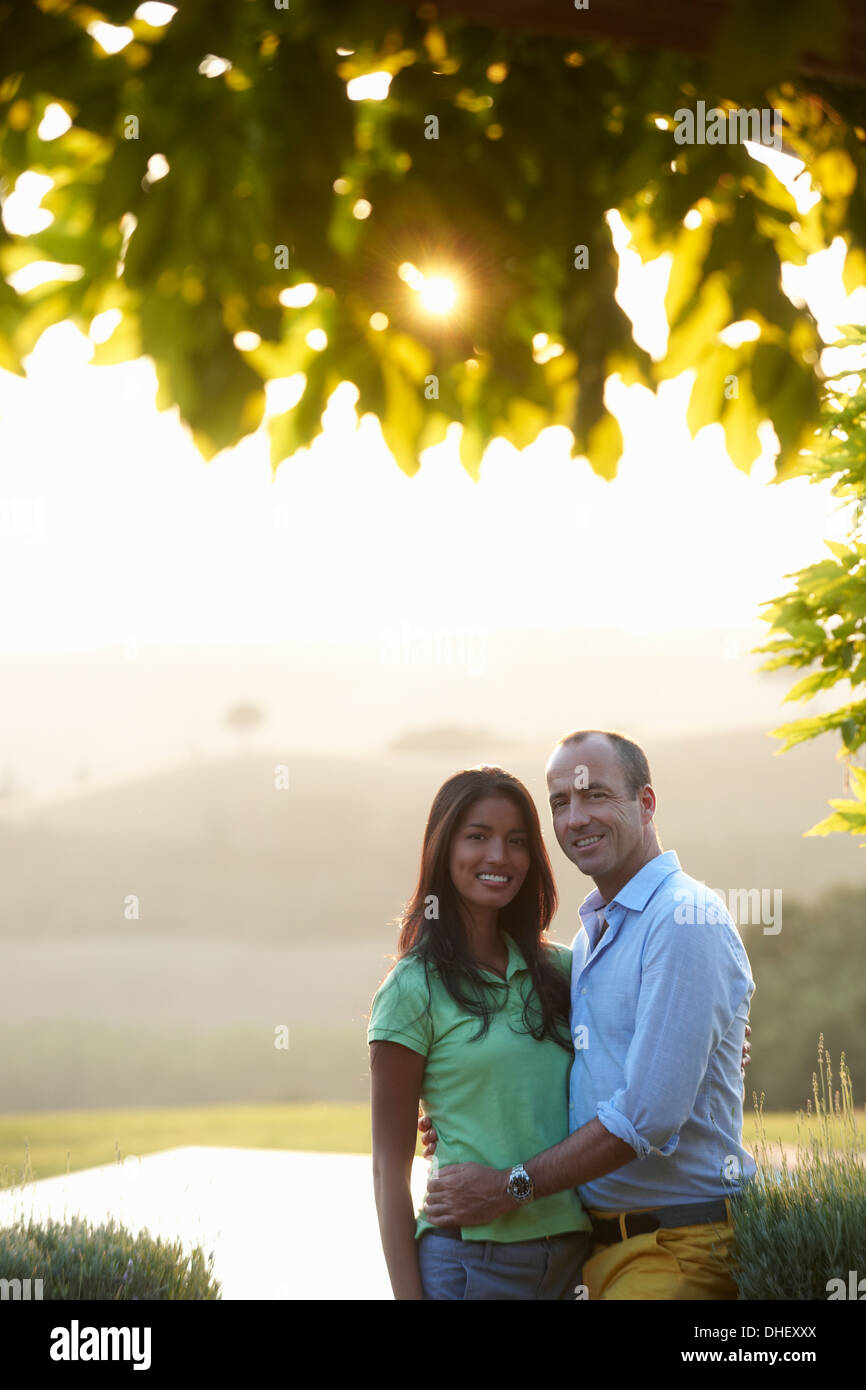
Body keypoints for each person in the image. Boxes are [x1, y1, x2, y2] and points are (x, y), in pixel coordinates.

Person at [422, 730, 756, 1300]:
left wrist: (509, 1186)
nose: (576, 818)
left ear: (645, 803)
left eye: (594, 795)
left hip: (674, 1248)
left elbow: (647, 1117)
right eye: (560, 802)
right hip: (596, 1251)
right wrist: (469, 1114)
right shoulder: (588, 941)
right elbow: (575, 1066)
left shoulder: (682, 919)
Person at [367, 766, 594, 1300]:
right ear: (443, 849)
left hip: (578, 1265)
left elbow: (651, 1024)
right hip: (471, 1267)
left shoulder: (565, 971)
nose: (499, 855)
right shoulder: (411, 988)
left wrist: (721, 1039)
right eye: (478, 836)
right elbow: (387, 1170)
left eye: (516, 841)